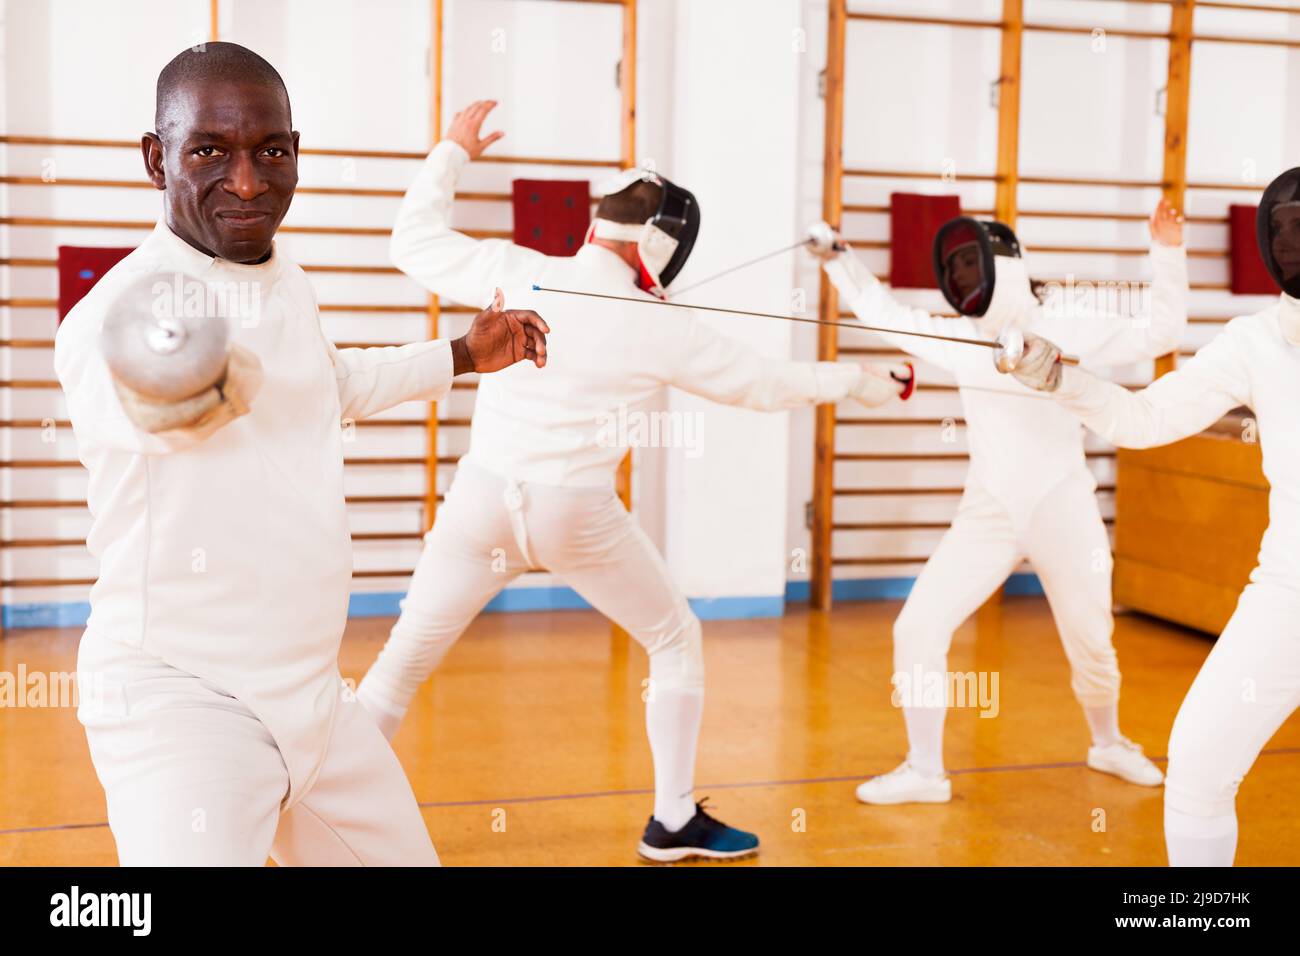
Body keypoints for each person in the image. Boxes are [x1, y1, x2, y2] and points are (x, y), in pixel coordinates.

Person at [356, 100, 914, 863]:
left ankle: (322, 808)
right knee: (674, 637)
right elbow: (765, 384)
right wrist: (859, 379)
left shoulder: (519, 268)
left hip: (482, 500)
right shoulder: (663, 326)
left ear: (597, 226)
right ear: (659, 245)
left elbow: (409, 241)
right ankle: (674, 819)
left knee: (400, 662)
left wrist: (451, 152)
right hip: (574, 513)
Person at [55, 44, 547, 866]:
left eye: (270, 152)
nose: (247, 183)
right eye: (209, 150)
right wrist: (187, 379)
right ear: (156, 158)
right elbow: (137, 408)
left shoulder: (287, 278)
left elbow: (324, 383)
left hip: (315, 701)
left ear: (295, 152)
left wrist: (462, 353)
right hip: (183, 703)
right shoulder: (114, 316)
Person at [806, 200, 1188, 805]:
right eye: (952, 269)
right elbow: (886, 315)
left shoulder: (1070, 321)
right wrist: (838, 260)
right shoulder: (961, 339)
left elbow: (1164, 331)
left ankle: (1108, 743)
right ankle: (925, 771)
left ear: (1002, 267)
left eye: (969, 265)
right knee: (917, 628)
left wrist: (1166, 250)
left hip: (1063, 507)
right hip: (988, 514)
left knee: (1092, 636)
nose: (960, 279)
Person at [1005, 167, 1300, 866]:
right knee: (1197, 765)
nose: (1295, 243)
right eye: (1286, 230)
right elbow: (1142, 418)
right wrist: (1060, 379)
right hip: (1291, 590)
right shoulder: (1256, 340)